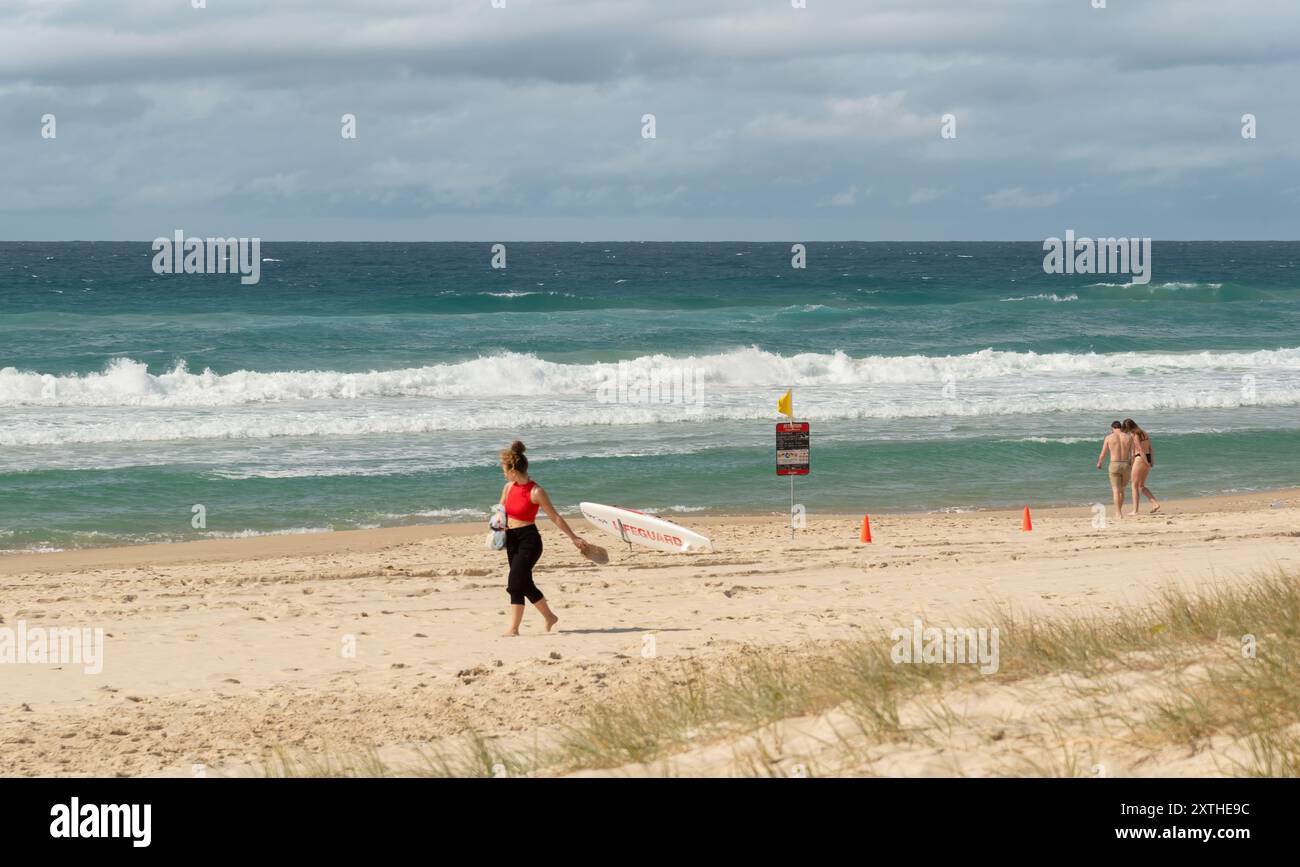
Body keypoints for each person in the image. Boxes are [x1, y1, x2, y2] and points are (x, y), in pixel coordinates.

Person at [496, 440, 591, 636]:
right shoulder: (508, 488)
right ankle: (550, 617)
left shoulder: (536, 492)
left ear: (513, 470)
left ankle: (513, 628)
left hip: (529, 541)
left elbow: (555, 516)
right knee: (523, 583)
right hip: (511, 539)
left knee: (514, 582)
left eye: (504, 470)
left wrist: (574, 537)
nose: (503, 473)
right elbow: (500, 510)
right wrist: (497, 526)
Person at [1096, 420, 1134, 521]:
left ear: (1112, 428)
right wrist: (1131, 463)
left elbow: (1103, 453)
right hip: (1126, 464)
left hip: (1114, 464)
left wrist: (1099, 462)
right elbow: (1132, 453)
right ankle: (1119, 511)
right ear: (1120, 427)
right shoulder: (1129, 437)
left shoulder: (1109, 437)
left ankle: (1118, 513)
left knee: (1116, 490)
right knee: (1122, 490)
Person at [1122, 418, 1160, 515]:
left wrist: (1146, 462)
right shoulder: (1144, 433)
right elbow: (1150, 448)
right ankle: (1155, 503)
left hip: (1140, 458)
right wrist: (1151, 461)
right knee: (1141, 486)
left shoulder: (1135, 435)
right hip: (1147, 457)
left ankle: (1135, 510)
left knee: (1134, 486)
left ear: (1128, 428)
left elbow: (1139, 449)